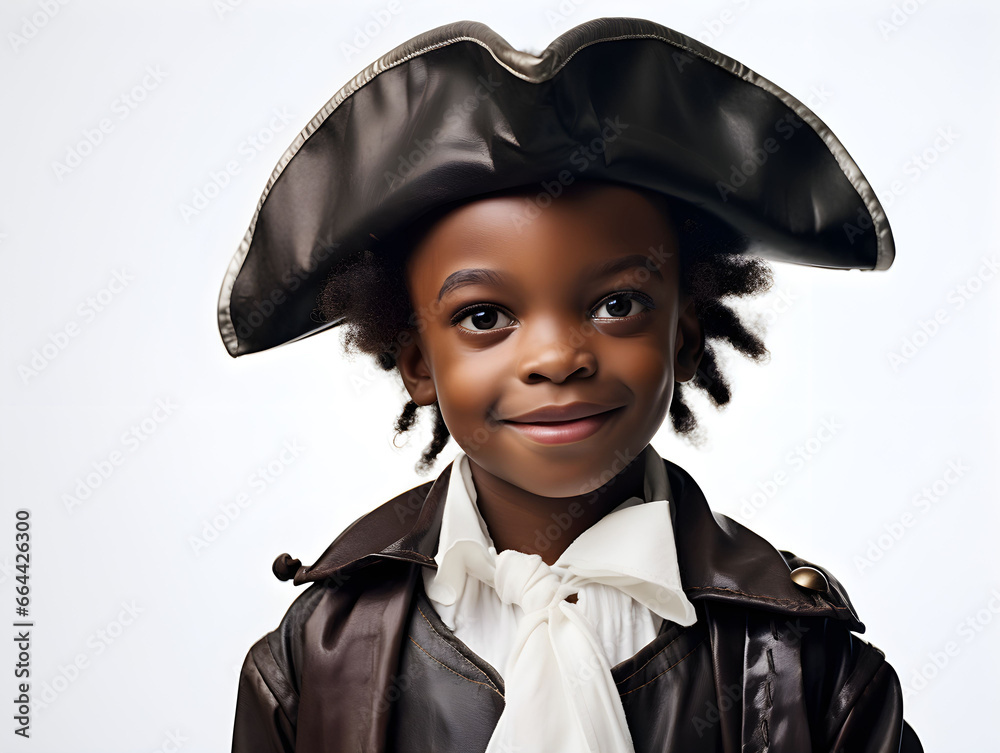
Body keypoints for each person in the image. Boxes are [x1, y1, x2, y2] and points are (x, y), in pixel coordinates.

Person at [221, 17, 922, 753]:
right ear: (418, 363)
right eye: (484, 316)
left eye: (617, 304)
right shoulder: (317, 657)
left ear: (683, 340)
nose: (556, 358)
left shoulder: (808, 666)